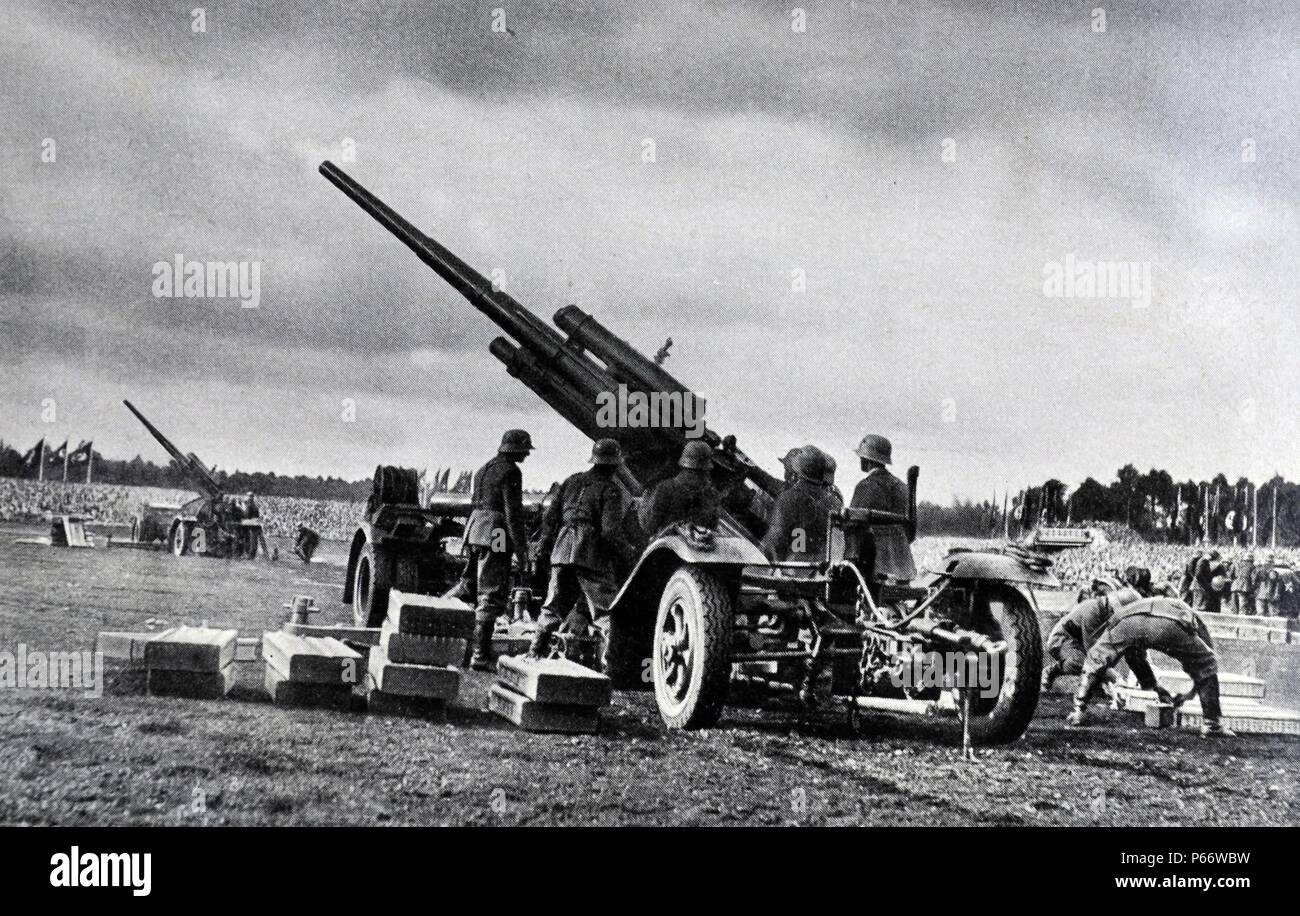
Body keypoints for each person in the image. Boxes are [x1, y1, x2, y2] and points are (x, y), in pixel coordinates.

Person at [1067, 595, 1235, 737]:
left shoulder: (1135, 607)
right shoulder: (1184, 610)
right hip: (1168, 623)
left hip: (1127, 624)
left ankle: (1078, 711)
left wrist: (1154, 687)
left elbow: (1126, 658)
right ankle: (1212, 723)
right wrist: (1190, 694)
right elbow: (1207, 663)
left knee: (1098, 658)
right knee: (1207, 662)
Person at [527, 439, 630, 668]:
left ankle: (534, 653)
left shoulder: (571, 481)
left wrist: (544, 547)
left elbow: (550, 518)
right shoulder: (610, 489)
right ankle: (611, 668)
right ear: (614, 465)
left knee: (552, 605)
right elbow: (610, 532)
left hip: (562, 549)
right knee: (605, 611)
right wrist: (628, 553)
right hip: (590, 552)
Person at [457, 429, 533, 670]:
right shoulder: (511, 471)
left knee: (469, 585)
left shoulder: (483, 469)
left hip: (475, 531)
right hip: (496, 533)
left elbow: (474, 505)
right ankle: (479, 657)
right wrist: (522, 552)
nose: (527, 456)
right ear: (517, 449)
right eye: (525, 451)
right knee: (491, 591)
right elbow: (513, 514)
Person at [1041, 587, 1141, 691]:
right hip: (1061, 640)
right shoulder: (1092, 611)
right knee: (1078, 662)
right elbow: (1093, 651)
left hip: (1079, 643)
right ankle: (1052, 671)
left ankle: (1096, 684)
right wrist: (1114, 677)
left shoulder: (1107, 612)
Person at [849, 433, 915, 586]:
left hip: (872, 574)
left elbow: (853, 530)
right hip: (901, 571)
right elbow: (909, 533)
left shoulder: (865, 486)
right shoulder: (902, 487)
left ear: (866, 459)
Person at [761, 448, 838, 563]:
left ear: (796, 472)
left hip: (792, 571)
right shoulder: (835, 503)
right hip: (822, 573)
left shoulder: (788, 498)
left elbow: (774, 542)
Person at [638, 440, 720, 538]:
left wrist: (642, 506)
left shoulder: (666, 488)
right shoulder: (713, 496)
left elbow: (649, 528)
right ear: (707, 467)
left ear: (684, 463)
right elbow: (713, 529)